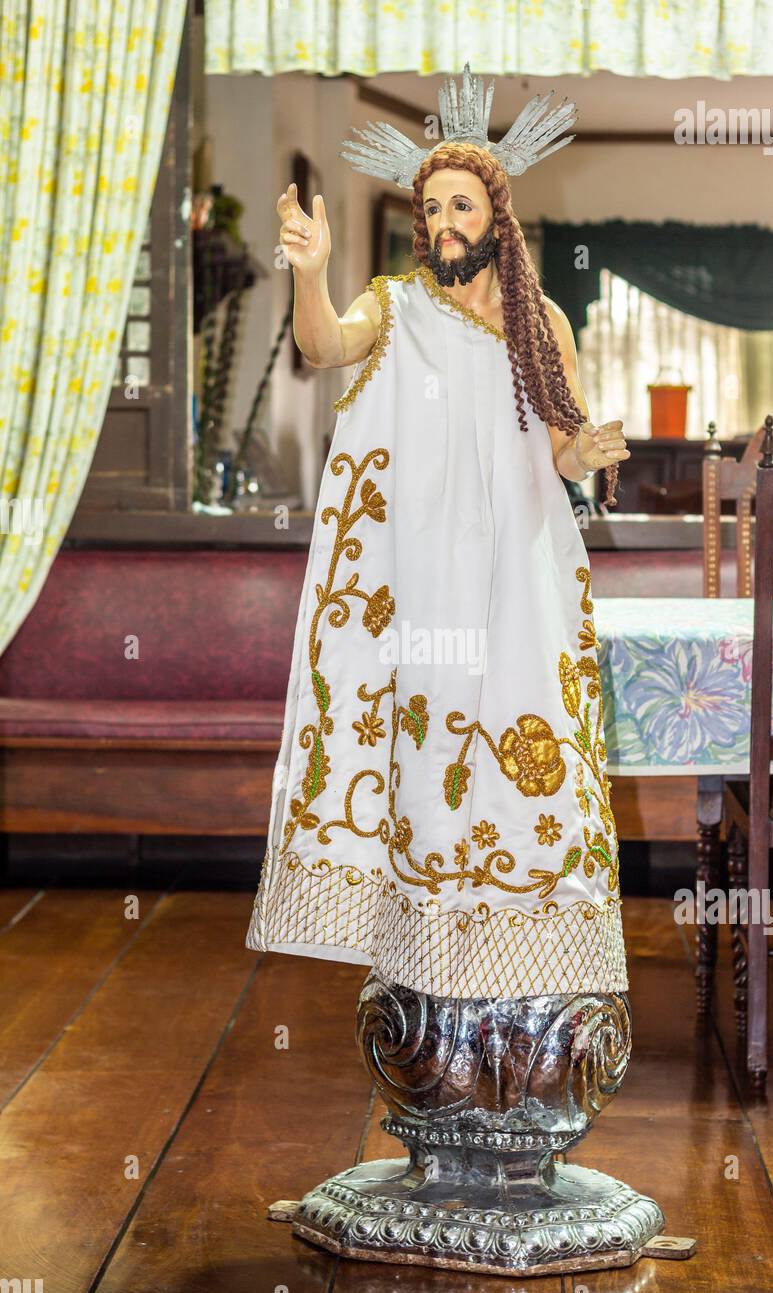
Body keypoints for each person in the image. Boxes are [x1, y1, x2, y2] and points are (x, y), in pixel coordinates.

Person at [247, 68, 631, 1002]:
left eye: (463, 204)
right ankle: (424, 975)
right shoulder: (398, 304)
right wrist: (309, 270)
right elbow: (324, 345)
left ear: (497, 216)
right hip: (422, 586)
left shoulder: (542, 324)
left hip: (519, 586)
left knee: (516, 748)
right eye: (433, 207)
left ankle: (522, 975)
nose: (447, 221)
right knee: (427, 758)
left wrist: (587, 447)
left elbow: (563, 451)